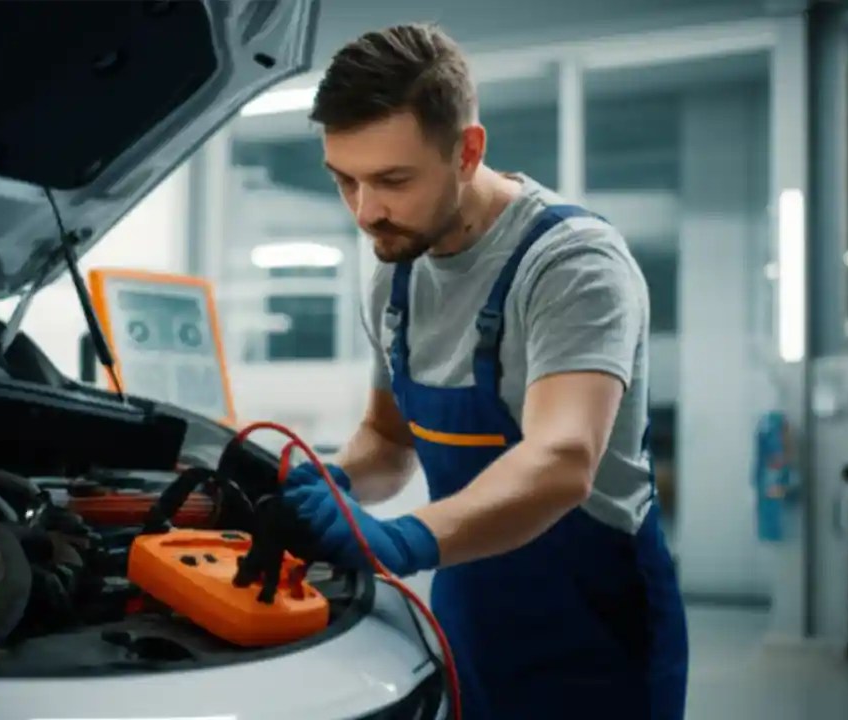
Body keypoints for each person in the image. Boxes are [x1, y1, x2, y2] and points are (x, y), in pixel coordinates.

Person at [280, 22, 690, 720]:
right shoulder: (392, 270)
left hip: (594, 635)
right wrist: (333, 482)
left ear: (468, 151)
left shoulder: (572, 265)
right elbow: (388, 439)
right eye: (344, 180)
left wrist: (401, 539)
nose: (365, 211)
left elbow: (562, 460)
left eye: (392, 180)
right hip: (467, 614)